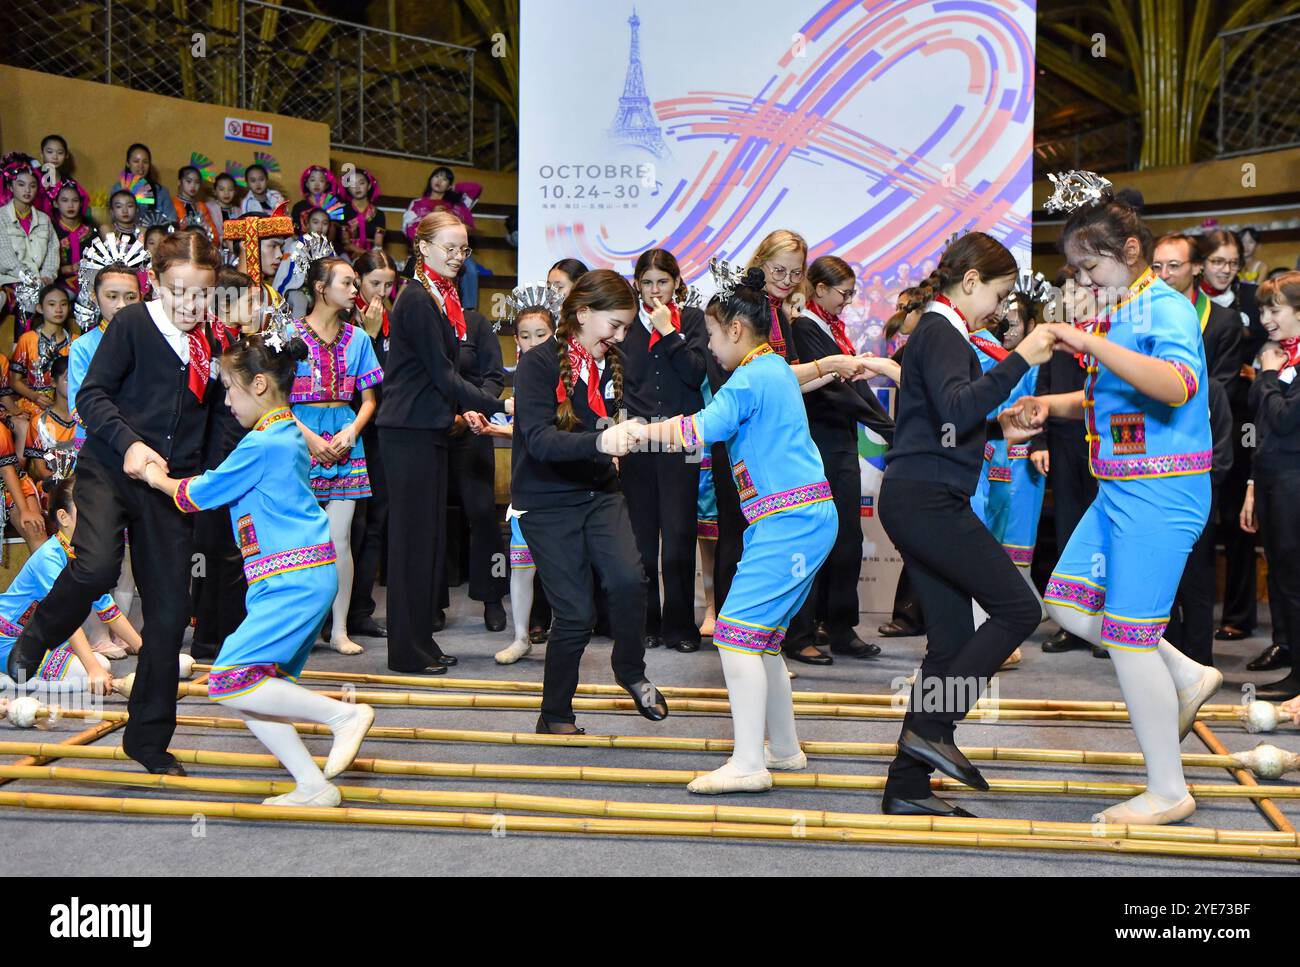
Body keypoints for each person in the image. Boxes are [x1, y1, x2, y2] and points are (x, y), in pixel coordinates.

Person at [1018, 172, 1222, 825]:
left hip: (1161, 493)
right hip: (1120, 491)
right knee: (1068, 604)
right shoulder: (1123, 311)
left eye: (1090, 265)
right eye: (1075, 269)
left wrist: (1088, 339)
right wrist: (1049, 402)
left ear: (1129, 252)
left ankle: (1168, 787)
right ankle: (1186, 673)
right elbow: (1114, 393)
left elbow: (1174, 385)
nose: (1083, 279)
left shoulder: (1161, 306)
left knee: (1130, 639)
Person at [640, 267, 869, 792]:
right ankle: (783, 749)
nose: (711, 346)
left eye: (714, 336)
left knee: (737, 636)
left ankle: (749, 762)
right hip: (797, 520)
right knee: (761, 642)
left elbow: (696, 429)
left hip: (789, 523)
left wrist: (634, 434)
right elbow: (802, 373)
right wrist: (831, 363)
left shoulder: (749, 377)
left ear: (737, 333)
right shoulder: (771, 369)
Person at [6, 231, 223, 776]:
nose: (190, 305)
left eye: (202, 295)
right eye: (178, 292)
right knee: (97, 564)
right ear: (156, 283)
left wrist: (208, 476)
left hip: (170, 488)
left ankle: (148, 740)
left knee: (171, 615)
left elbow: (217, 417)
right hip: (110, 468)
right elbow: (93, 396)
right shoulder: (132, 325)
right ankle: (37, 636)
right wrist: (131, 445)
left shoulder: (212, 342)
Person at [859, 231, 1055, 818]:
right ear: (970, 283)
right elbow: (959, 407)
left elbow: (943, 419)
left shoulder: (939, 332)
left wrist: (1000, 432)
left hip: (920, 494)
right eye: (996, 295)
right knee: (1020, 609)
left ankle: (908, 784)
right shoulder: (944, 332)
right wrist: (1023, 358)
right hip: (928, 500)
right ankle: (934, 728)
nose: (998, 309)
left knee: (947, 646)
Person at [144, 332, 373, 807]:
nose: (226, 400)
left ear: (261, 385)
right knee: (256, 687)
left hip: (293, 578)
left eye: (230, 388)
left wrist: (151, 474)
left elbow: (198, 494)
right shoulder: (286, 431)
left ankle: (341, 717)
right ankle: (312, 784)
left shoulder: (264, 443)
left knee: (229, 679)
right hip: (291, 577)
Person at [511, 268, 667, 733]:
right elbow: (539, 441)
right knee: (575, 614)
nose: (619, 336)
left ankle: (630, 670)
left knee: (628, 580)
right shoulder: (538, 365)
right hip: (546, 502)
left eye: (625, 328)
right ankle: (555, 714)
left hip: (600, 492)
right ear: (582, 314)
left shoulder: (610, 364)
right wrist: (602, 443)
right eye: (613, 326)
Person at [377, 211, 506, 673]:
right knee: (412, 544)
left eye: (463, 249)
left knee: (428, 541)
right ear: (423, 248)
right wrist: (498, 406)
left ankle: (421, 642)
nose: (457, 256)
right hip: (408, 432)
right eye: (449, 247)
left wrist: (464, 409)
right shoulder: (416, 299)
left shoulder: (439, 296)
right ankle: (406, 652)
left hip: (427, 427)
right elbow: (441, 374)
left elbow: (438, 380)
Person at [785, 255, 895, 664]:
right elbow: (835, 392)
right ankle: (799, 633)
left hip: (842, 444)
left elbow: (854, 388)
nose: (847, 301)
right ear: (819, 290)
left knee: (847, 537)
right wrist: (887, 429)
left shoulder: (833, 330)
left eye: (852, 293)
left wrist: (885, 426)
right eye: (843, 293)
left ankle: (841, 625)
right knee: (814, 539)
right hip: (815, 446)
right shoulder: (803, 328)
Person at [463, 284, 563, 664]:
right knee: (520, 564)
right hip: (527, 483)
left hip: (559, 484)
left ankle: (566, 636)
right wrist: (496, 430)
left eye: (542, 335)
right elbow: (526, 429)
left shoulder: (565, 375)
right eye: (524, 336)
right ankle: (520, 636)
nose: (533, 342)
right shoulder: (521, 376)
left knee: (559, 566)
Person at [288, 257, 381, 656]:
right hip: (297, 436)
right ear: (321, 288)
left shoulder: (359, 338)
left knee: (340, 539)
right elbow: (274, 400)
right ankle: (301, 628)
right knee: (299, 539)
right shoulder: (289, 335)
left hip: (345, 435)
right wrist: (308, 437)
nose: (355, 289)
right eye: (347, 282)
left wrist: (352, 430)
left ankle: (340, 628)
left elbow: (369, 399)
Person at [621, 249, 709, 653]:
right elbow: (619, 385)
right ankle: (645, 622)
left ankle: (680, 624)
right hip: (638, 441)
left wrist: (669, 332)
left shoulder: (691, 321)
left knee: (678, 534)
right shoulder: (624, 325)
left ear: (676, 283)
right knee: (641, 538)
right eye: (647, 282)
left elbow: (696, 374)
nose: (655, 290)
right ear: (636, 284)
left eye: (663, 282)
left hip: (682, 439)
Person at [0, 477, 142, 696]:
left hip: (42, 637)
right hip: (9, 640)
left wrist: (146, 652)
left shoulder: (82, 556)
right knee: (92, 670)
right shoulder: (49, 558)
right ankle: (7, 682)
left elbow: (109, 610)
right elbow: (64, 614)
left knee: (99, 665)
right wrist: (92, 669)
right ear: (63, 517)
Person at [189, 267, 263, 662]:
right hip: (220, 456)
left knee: (230, 549)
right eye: (251, 299)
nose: (257, 306)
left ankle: (218, 637)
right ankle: (215, 638)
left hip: (234, 453)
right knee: (222, 550)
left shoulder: (232, 340)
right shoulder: (214, 343)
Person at [1239, 272, 1300, 701]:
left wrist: (1268, 375)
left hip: (1295, 483)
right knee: (1280, 576)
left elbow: (1282, 418)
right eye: (1262, 310)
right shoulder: (1282, 360)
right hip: (1274, 479)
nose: (1265, 319)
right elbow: (1260, 425)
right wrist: (1252, 484)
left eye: (1275, 310)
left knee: (1295, 579)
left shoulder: (1279, 364)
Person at [345, 249, 398, 640]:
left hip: (382, 433)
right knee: (348, 527)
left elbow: (392, 378)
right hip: (343, 430)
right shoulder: (342, 318)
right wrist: (371, 335)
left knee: (375, 523)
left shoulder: (396, 320)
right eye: (373, 283)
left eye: (388, 284)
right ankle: (332, 613)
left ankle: (361, 609)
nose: (381, 291)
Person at [107, 144, 178, 225]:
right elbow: (113, 219)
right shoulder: (118, 189)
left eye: (145, 162)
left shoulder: (161, 192)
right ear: (128, 163)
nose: (141, 166)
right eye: (136, 161)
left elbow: (172, 220)